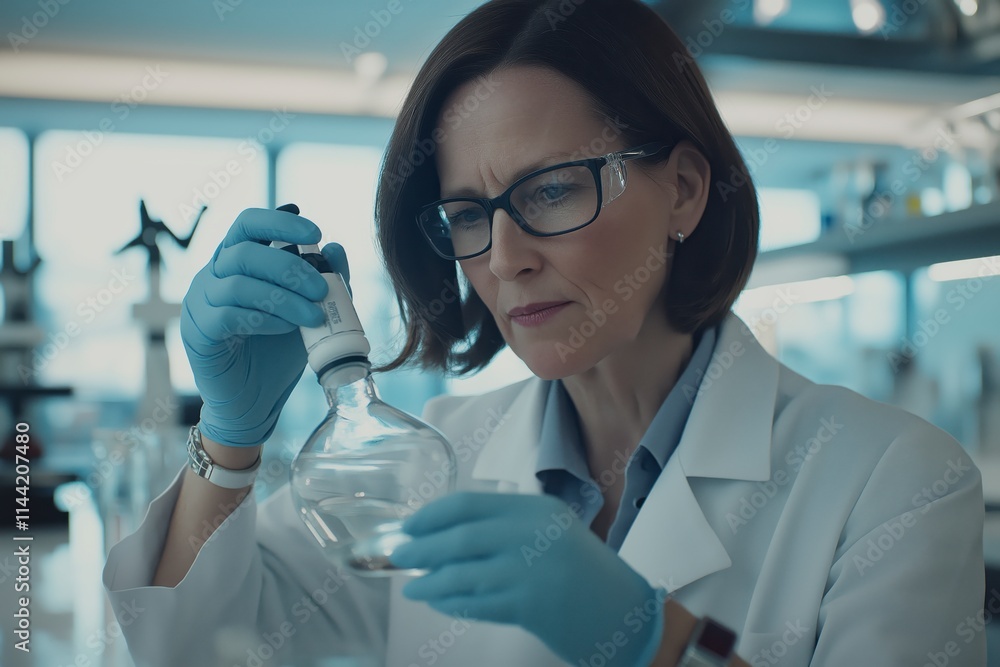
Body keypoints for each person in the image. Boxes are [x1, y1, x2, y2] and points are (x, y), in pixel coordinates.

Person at [102, 0, 986, 665]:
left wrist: (657, 641)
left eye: (554, 188)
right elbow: (206, 644)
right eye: (467, 214)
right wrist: (230, 438)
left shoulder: (894, 481)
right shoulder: (436, 455)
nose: (505, 257)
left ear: (682, 189)